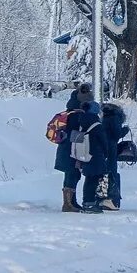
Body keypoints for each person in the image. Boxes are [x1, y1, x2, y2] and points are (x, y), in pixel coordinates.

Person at [53, 83, 92, 212]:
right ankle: (69, 204)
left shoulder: (69, 112)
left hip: (65, 148)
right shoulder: (77, 115)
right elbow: (78, 133)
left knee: (70, 174)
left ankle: (71, 202)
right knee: (73, 175)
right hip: (73, 149)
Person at [77, 100, 110, 213]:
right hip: (96, 155)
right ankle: (90, 203)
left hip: (84, 154)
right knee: (94, 180)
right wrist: (106, 153)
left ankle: (86, 202)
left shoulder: (81, 121)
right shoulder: (96, 124)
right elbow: (103, 142)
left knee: (88, 179)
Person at [99, 102, 129, 210]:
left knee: (104, 173)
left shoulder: (104, 118)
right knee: (112, 172)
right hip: (111, 148)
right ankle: (112, 199)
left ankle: (102, 198)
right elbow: (117, 134)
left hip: (102, 148)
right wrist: (125, 130)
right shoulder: (115, 117)